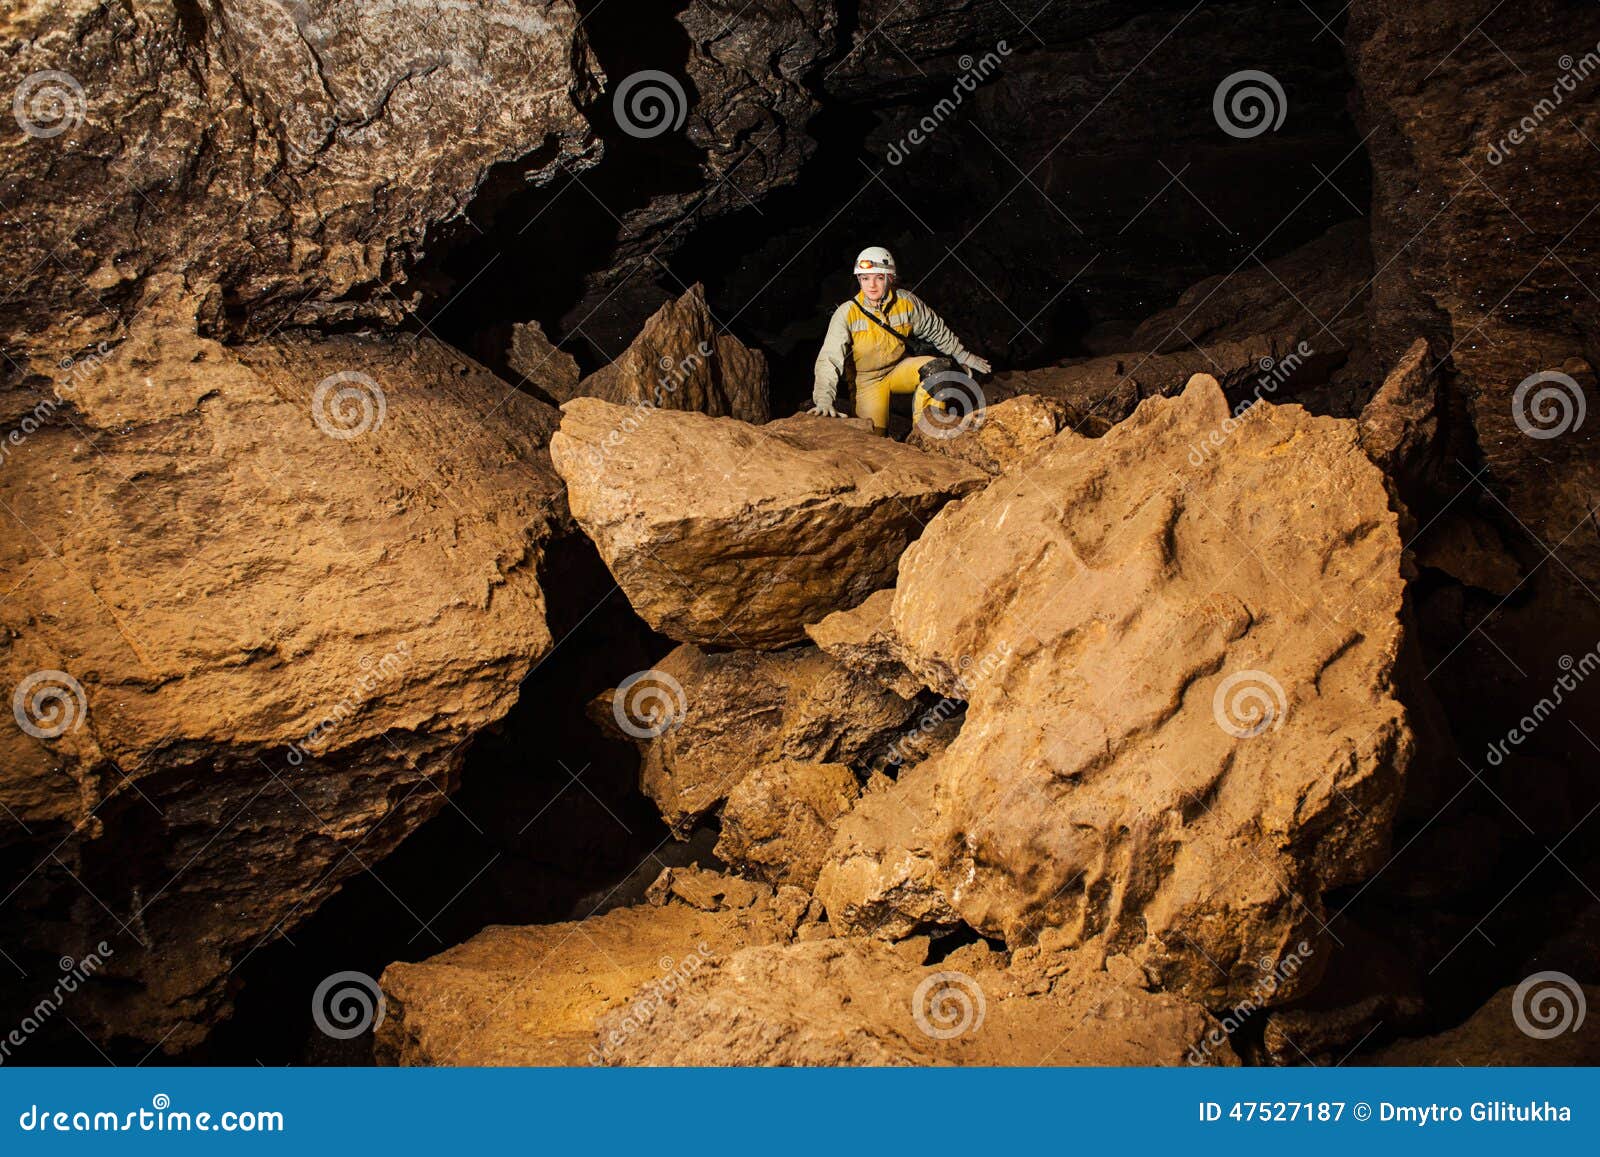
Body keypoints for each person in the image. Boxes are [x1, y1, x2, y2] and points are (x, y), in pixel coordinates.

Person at [808, 246, 991, 434]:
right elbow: (829, 359)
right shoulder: (846, 313)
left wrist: (963, 355)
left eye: (879, 278)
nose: (871, 285)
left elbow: (935, 329)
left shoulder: (906, 302)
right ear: (858, 280)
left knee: (938, 370)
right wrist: (824, 399)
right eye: (865, 278)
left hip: (898, 369)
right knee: (873, 437)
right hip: (867, 381)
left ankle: (926, 433)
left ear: (890, 278)